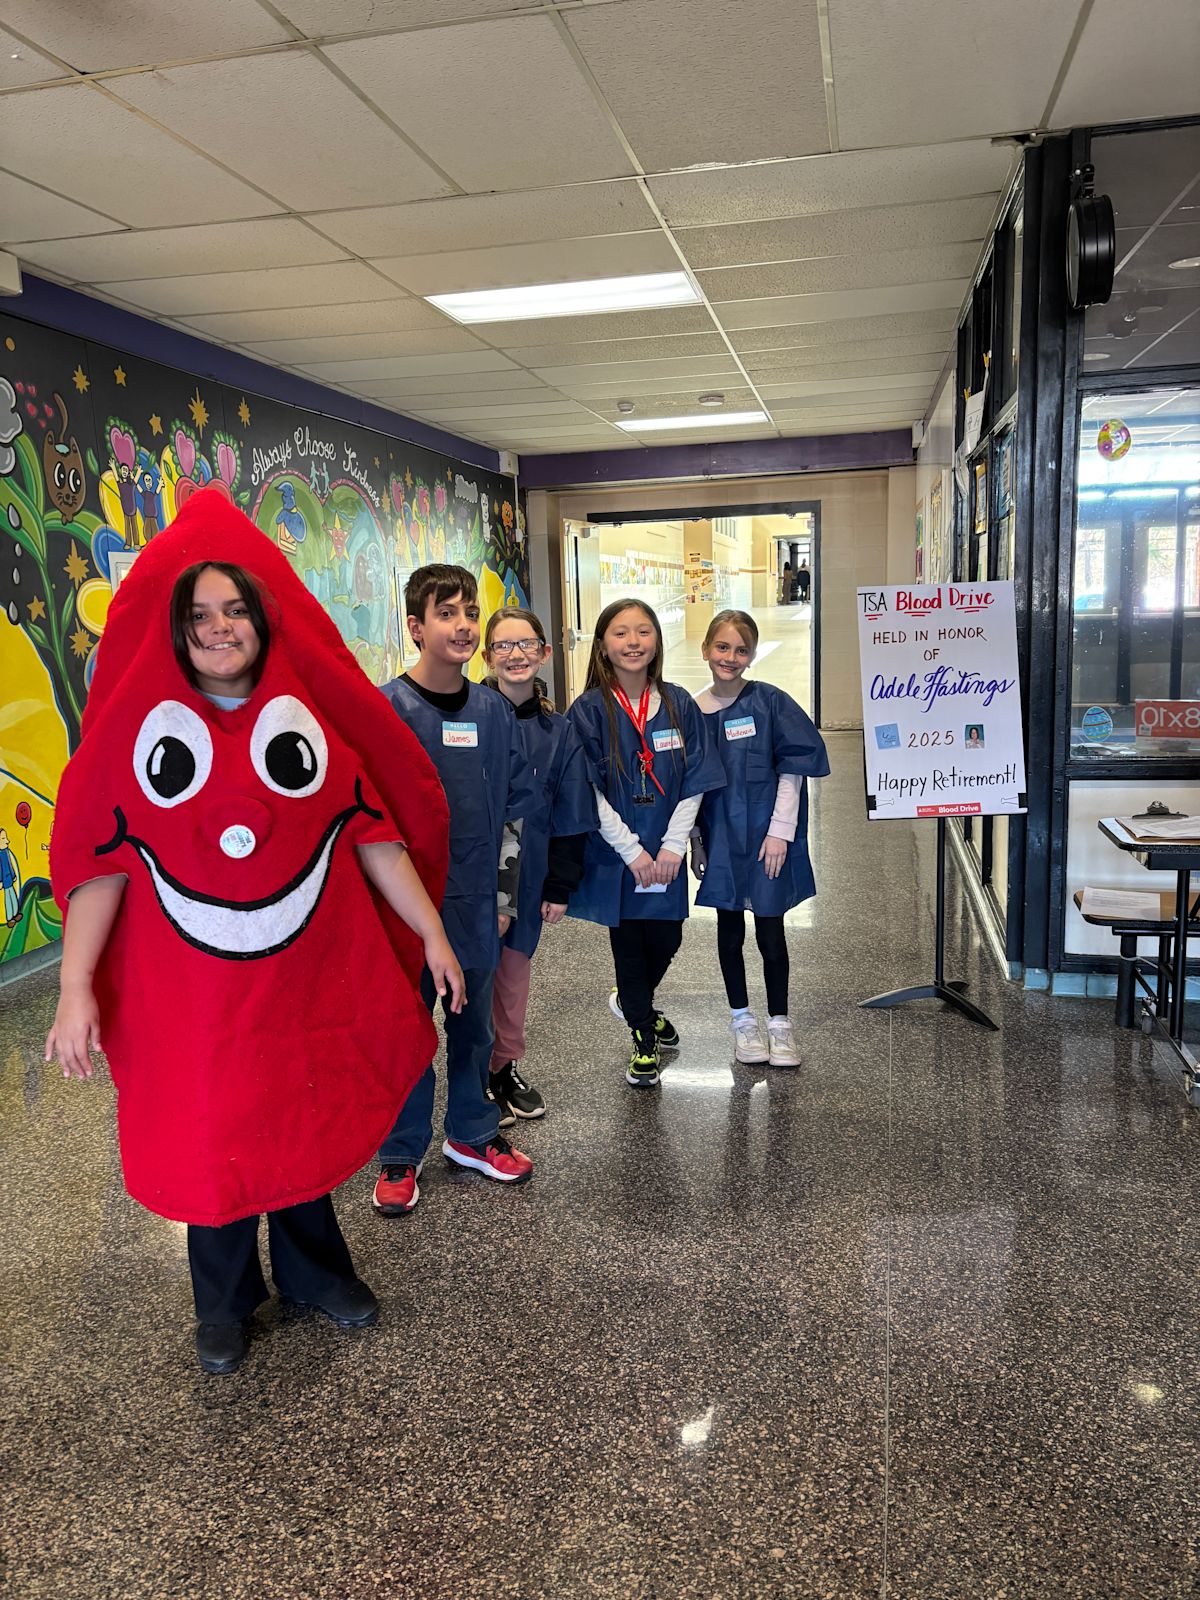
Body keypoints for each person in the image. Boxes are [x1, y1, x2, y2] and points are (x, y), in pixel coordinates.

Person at [43, 490, 457, 1376]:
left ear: (263, 622)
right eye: (200, 615)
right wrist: (76, 987)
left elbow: (371, 832)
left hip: (296, 983)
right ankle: (224, 1303)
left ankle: (313, 1273)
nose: (220, 628)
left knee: (297, 1113)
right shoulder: (138, 734)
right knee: (212, 1132)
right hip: (190, 997)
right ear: (176, 629)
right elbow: (99, 866)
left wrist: (431, 933)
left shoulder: (303, 722)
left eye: (235, 610)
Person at [372, 565, 537, 1217]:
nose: (464, 624)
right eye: (446, 613)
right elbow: (368, 823)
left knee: (471, 1030)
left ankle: (470, 1134)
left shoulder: (494, 711)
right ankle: (400, 1148)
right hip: (404, 914)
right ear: (415, 627)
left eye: (470, 611)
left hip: (472, 907)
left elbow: (514, 811)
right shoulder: (386, 712)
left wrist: (503, 897)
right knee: (407, 1032)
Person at [567, 599, 725, 1087]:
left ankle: (637, 1003)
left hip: (667, 848)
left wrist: (673, 846)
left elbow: (697, 778)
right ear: (602, 646)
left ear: (657, 640)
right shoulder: (589, 711)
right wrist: (633, 851)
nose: (632, 642)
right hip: (619, 855)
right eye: (620, 633)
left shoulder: (679, 704)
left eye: (642, 631)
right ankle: (643, 1034)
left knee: (668, 937)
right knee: (629, 945)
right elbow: (585, 790)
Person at [692, 610, 828, 1067]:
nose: (730, 657)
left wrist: (780, 835)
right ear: (706, 650)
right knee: (728, 933)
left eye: (740, 649)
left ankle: (780, 1024)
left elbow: (792, 772)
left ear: (751, 655)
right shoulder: (692, 711)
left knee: (770, 931)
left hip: (767, 838)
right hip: (721, 840)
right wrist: (696, 841)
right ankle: (742, 1022)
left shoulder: (770, 703)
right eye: (722, 647)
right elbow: (686, 786)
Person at [482, 607, 597, 1123]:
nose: (516, 655)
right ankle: (469, 1075)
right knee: (469, 977)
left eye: (526, 644)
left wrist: (560, 884)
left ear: (545, 653)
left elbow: (573, 810)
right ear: (487, 656)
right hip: (468, 875)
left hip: (528, 878)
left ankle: (501, 1068)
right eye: (503, 646)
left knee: (512, 975)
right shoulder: (467, 719)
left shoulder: (559, 731)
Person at [0, 828, 19, 926]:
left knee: (13, 896)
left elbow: (10, 865)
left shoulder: (6, 851)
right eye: (3, 838)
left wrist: (13, 875)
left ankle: (15, 914)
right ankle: (9, 918)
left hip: (10, 879)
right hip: (5, 881)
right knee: (8, 899)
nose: (7, 841)